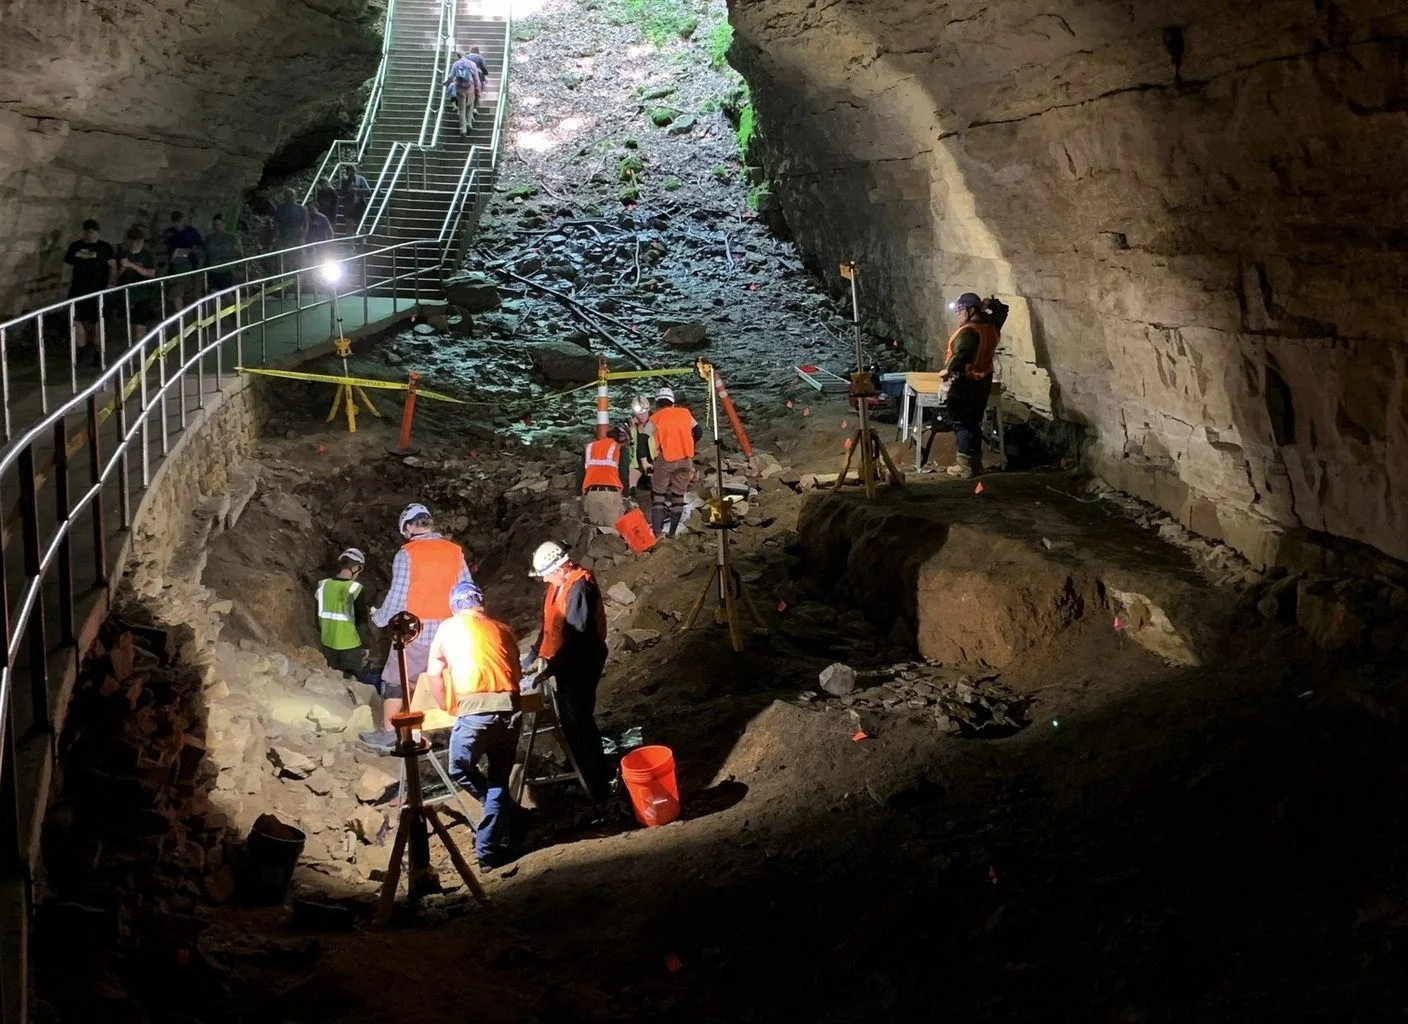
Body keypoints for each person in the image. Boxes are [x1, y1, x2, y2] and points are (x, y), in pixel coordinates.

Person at [360, 502, 473, 753]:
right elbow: (467, 589)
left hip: (416, 633)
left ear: (409, 527)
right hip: (450, 632)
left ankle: (390, 733)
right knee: (443, 680)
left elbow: (398, 596)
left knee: (395, 680)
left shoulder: (407, 554)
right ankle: (445, 731)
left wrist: (379, 619)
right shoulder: (454, 551)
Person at [425, 581, 522, 868]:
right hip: (509, 711)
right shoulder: (503, 629)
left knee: (459, 767)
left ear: (455, 607)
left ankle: (487, 851)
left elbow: (434, 673)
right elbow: (516, 671)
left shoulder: (448, 628)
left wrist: (447, 706)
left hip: (474, 713)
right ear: (481, 604)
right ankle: (507, 812)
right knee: (498, 779)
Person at [524, 541, 610, 802]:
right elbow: (549, 628)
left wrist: (550, 668)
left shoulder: (580, 587)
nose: (544, 580)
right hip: (565, 663)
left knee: (580, 720)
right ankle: (582, 770)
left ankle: (596, 783)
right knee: (570, 721)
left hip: (582, 662)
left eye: (546, 574)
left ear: (560, 568)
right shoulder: (557, 587)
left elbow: (577, 638)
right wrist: (531, 658)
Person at [939, 292, 1001, 479]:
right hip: (983, 382)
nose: (957, 313)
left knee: (962, 423)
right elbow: (1002, 312)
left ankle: (964, 465)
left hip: (966, 382)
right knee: (974, 422)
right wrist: (993, 305)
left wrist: (947, 372)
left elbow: (962, 354)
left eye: (960, 309)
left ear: (971, 310)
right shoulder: (991, 326)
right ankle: (976, 464)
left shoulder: (969, 331)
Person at [314, 547, 381, 688]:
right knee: (349, 684)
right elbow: (361, 623)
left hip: (327, 644)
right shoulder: (355, 589)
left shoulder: (323, 585)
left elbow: (317, 618)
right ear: (356, 568)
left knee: (331, 681)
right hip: (350, 648)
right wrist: (366, 645)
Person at [644, 386, 702, 538]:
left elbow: (644, 438)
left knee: (658, 496)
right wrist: (688, 444)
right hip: (685, 459)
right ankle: (672, 533)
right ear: (672, 402)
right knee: (678, 497)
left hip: (665, 458)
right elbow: (698, 431)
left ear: (657, 403)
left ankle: (657, 533)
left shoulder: (656, 417)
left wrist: (645, 459)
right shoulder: (685, 413)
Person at [63, 219, 116, 367]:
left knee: (97, 322)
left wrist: (111, 284)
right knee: (76, 320)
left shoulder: (105, 247)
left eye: (93, 232)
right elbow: (67, 266)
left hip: (98, 290)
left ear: (97, 233)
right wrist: (64, 284)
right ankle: (81, 348)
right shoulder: (75, 246)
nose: (90, 235)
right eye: (88, 232)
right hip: (78, 289)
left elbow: (112, 267)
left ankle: (99, 352)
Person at [579, 424, 631, 528]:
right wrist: (626, 496)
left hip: (590, 494)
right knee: (614, 531)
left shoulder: (590, 447)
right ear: (622, 438)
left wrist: (578, 495)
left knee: (598, 530)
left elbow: (581, 472)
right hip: (610, 494)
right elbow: (624, 474)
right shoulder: (620, 448)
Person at [114, 226, 158, 344]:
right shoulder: (122, 255)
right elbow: (115, 275)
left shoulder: (147, 255)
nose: (137, 244)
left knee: (139, 325)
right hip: (126, 295)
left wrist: (132, 265)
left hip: (142, 295)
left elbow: (151, 273)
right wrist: (122, 268)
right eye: (134, 241)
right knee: (132, 326)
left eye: (139, 241)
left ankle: (141, 349)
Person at [162, 211, 204, 312]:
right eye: (175, 222)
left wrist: (193, 250)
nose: (178, 224)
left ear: (183, 220)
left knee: (194, 296)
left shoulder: (191, 232)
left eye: (179, 221)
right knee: (177, 294)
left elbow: (200, 248)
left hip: (191, 268)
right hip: (176, 269)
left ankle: (197, 317)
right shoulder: (170, 233)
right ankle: (181, 317)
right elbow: (165, 248)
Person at [443, 51, 482, 135]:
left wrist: (446, 83)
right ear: (465, 55)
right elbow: (476, 79)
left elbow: (451, 76)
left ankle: (463, 130)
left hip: (460, 89)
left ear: (458, 56)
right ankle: (469, 124)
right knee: (470, 106)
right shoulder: (472, 64)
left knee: (461, 110)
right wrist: (478, 90)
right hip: (470, 89)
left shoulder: (456, 64)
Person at [204, 214, 244, 295]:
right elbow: (206, 255)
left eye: (219, 225)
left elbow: (240, 254)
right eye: (215, 225)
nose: (217, 228)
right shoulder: (209, 239)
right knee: (213, 295)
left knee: (228, 295)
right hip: (213, 271)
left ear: (224, 225)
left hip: (227, 271)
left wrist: (239, 269)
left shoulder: (231, 238)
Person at [627, 395, 656, 491]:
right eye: (639, 414)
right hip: (635, 463)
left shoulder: (655, 423)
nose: (642, 416)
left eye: (644, 413)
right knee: (629, 487)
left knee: (658, 487)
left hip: (653, 461)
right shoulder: (630, 426)